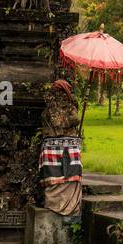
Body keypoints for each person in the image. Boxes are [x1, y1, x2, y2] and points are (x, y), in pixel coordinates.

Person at [38, 78, 83, 217]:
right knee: (53, 176)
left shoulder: (70, 104)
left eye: (61, 91)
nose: (58, 94)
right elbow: (51, 121)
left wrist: (61, 121)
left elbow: (74, 119)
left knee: (70, 176)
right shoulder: (50, 104)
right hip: (53, 146)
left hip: (67, 146)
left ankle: (70, 208)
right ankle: (55, 204)